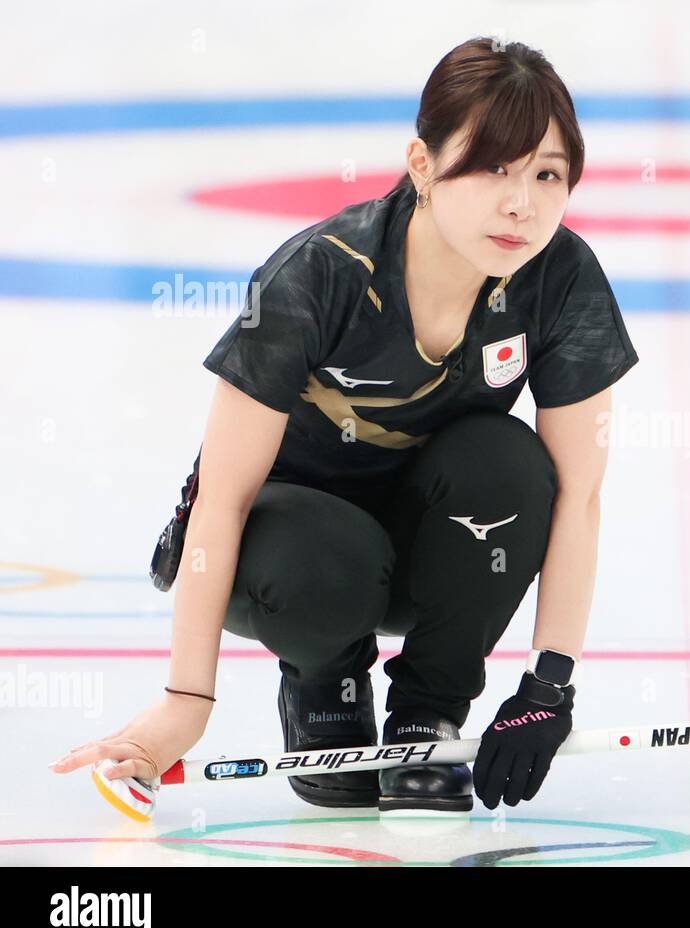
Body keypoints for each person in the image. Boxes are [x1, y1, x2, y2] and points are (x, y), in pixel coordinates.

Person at [48, 36, 639, 816]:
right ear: (422, 166)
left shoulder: (561, 278)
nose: (521, 204)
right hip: (290, 552)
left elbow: (579, 500)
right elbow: (220, 501)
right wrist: (184, 705)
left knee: (512, 464)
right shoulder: (320, 274)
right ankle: (325, 682)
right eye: (492, 168)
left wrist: (547, 688)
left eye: (547, 174)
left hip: (430, 543)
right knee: (322, 561)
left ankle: (427, 713)